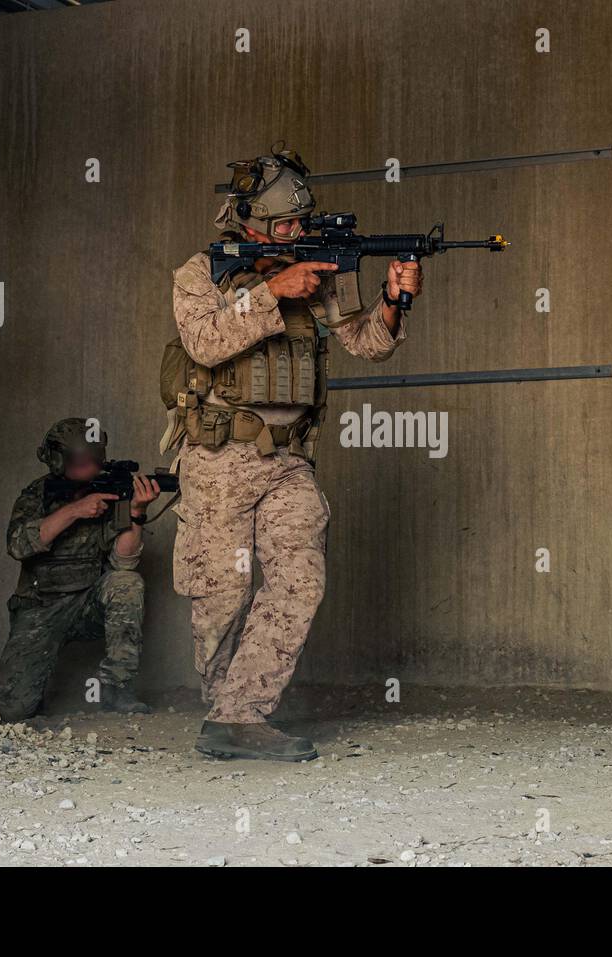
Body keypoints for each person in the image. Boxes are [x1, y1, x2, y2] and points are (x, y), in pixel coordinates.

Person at [165, 147, 422, 761]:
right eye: (284, 226)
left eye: (301, 224)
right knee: (222, 593)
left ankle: (241, 715)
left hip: (288, 461)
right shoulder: (202, 273)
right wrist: (272, 292)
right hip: (219, 457)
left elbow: (367, 343)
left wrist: (393, 299)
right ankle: (223, 705)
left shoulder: (320, 272)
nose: (297, 234)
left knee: (301, 577)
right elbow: (203, 343)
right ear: (249, 220)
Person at [0, 418, 160, 720]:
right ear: (59, 462)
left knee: (127, 582)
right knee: (12, 709)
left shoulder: (110, 493)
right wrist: (74, 511)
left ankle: (116, 686)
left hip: (87, 605)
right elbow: (18, 545)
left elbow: (124, 561)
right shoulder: (37, 495)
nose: (93, 469)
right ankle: (36, 688)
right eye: (83, 463)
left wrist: (135, 512)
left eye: (96, 461)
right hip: (40, 607)